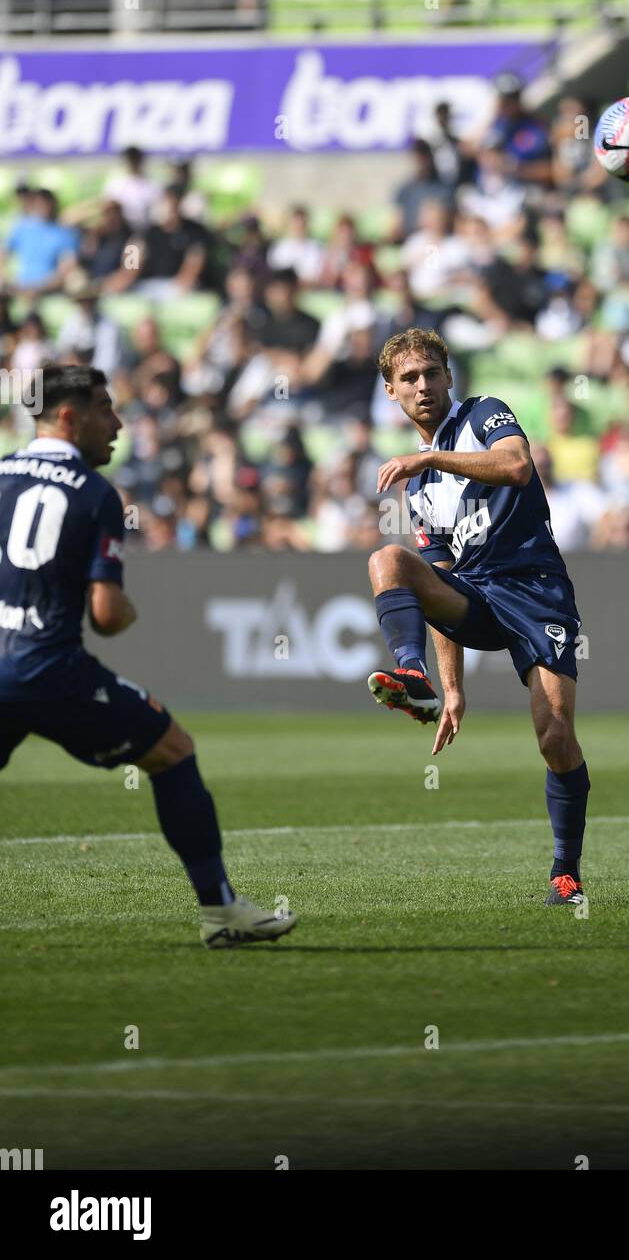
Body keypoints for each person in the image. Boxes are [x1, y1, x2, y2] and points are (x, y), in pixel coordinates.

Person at [0, 365, 297, 948]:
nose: (117, 423)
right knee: (173, 750)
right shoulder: (93, 494)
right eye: (105, 409)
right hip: (48, 669)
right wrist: (129, 610)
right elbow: (107, 616)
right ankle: (221, 911)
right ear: (68, 415)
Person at [364, 328, 591, 909]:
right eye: (408, 379)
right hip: (478, 598)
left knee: (554, 734)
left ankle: (566, 870)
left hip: (535, 591)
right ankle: (410, 675)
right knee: (389, 560)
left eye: (430, 374)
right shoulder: (419, 493)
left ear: (449, 377)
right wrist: (451, 688)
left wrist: (431, 454)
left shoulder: (485, 414)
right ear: (391, 392)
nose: (422, 386)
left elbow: (517, 466)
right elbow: (437, 588)